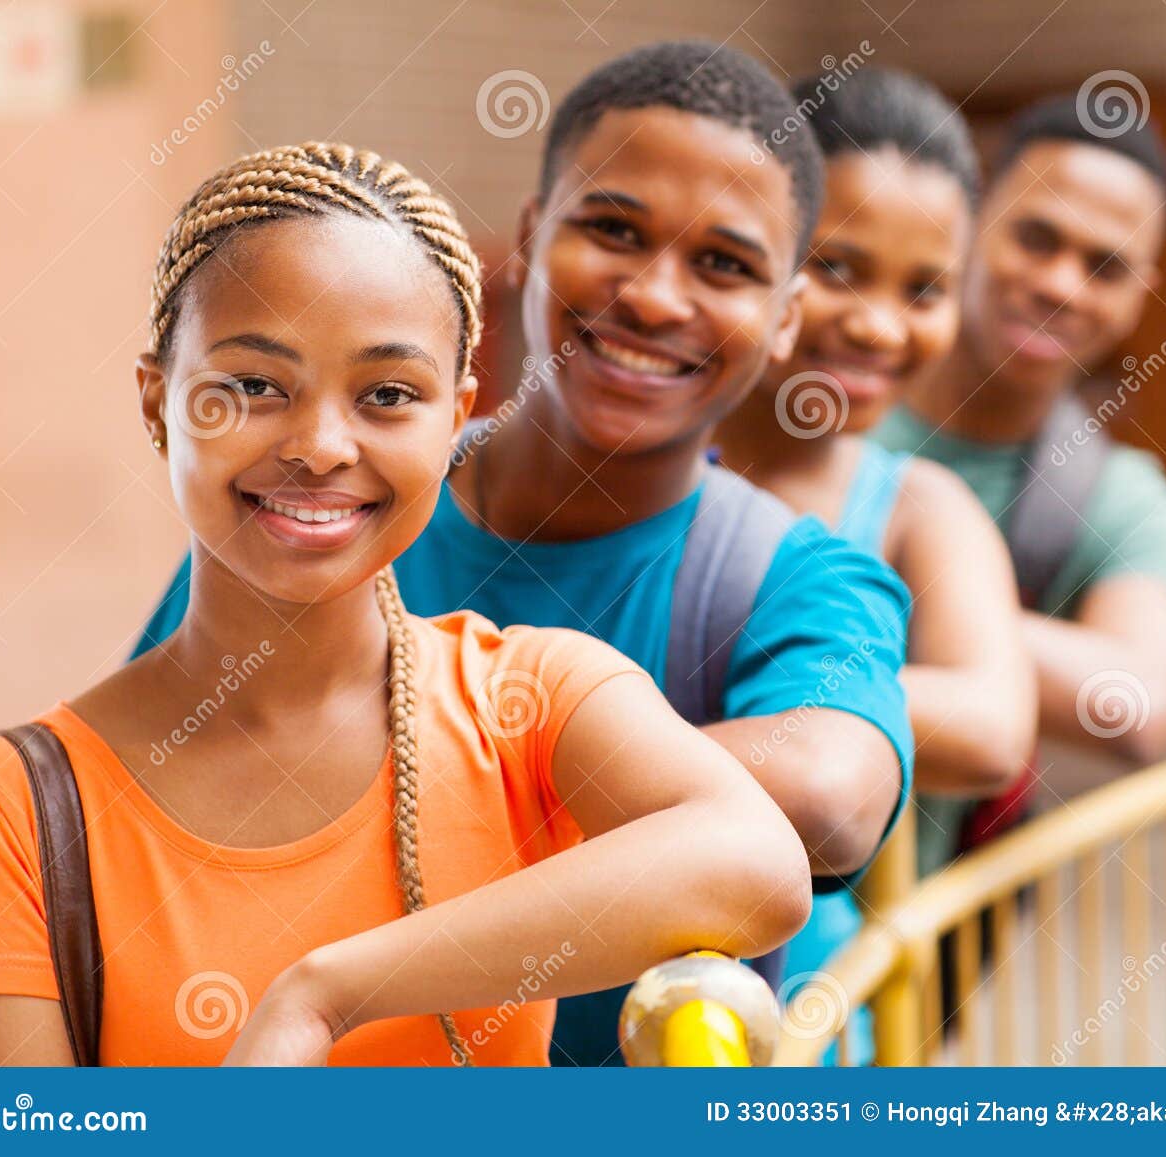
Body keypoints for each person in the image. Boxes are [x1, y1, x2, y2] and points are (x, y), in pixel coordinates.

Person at [0, 142, 810, 1067]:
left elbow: (758, 866)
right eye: (254, 385)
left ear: (457, 417)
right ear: (157, 401)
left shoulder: (529, 701)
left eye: (387, 394)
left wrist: (326, 992)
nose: (320, 445)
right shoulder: (5, 809)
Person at [129, 42, 915, 1067]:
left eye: (723, 263)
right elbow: (148, 785)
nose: (654, 296)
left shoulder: (799, 574)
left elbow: (825, 796)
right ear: (534, 238)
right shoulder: (319, 515)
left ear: (785, 322)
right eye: (612, 230)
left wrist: (402, 792)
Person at [712, 67, 1035, 1024]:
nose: (877, 323)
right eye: (840, 266)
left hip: (797, 1018)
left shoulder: (914, 507)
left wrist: (789, 710)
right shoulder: (639, 464)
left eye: (925, 288)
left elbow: (991, 723)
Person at [872, 95, 1166, 870]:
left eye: (1105, 265)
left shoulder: (1116, 498)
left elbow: (1140, 705)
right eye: (1036, 237)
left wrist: (901, 597)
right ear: (970, 224)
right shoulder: (821, 402)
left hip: (898, 950)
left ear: (1139, 298)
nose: (1062, 283)